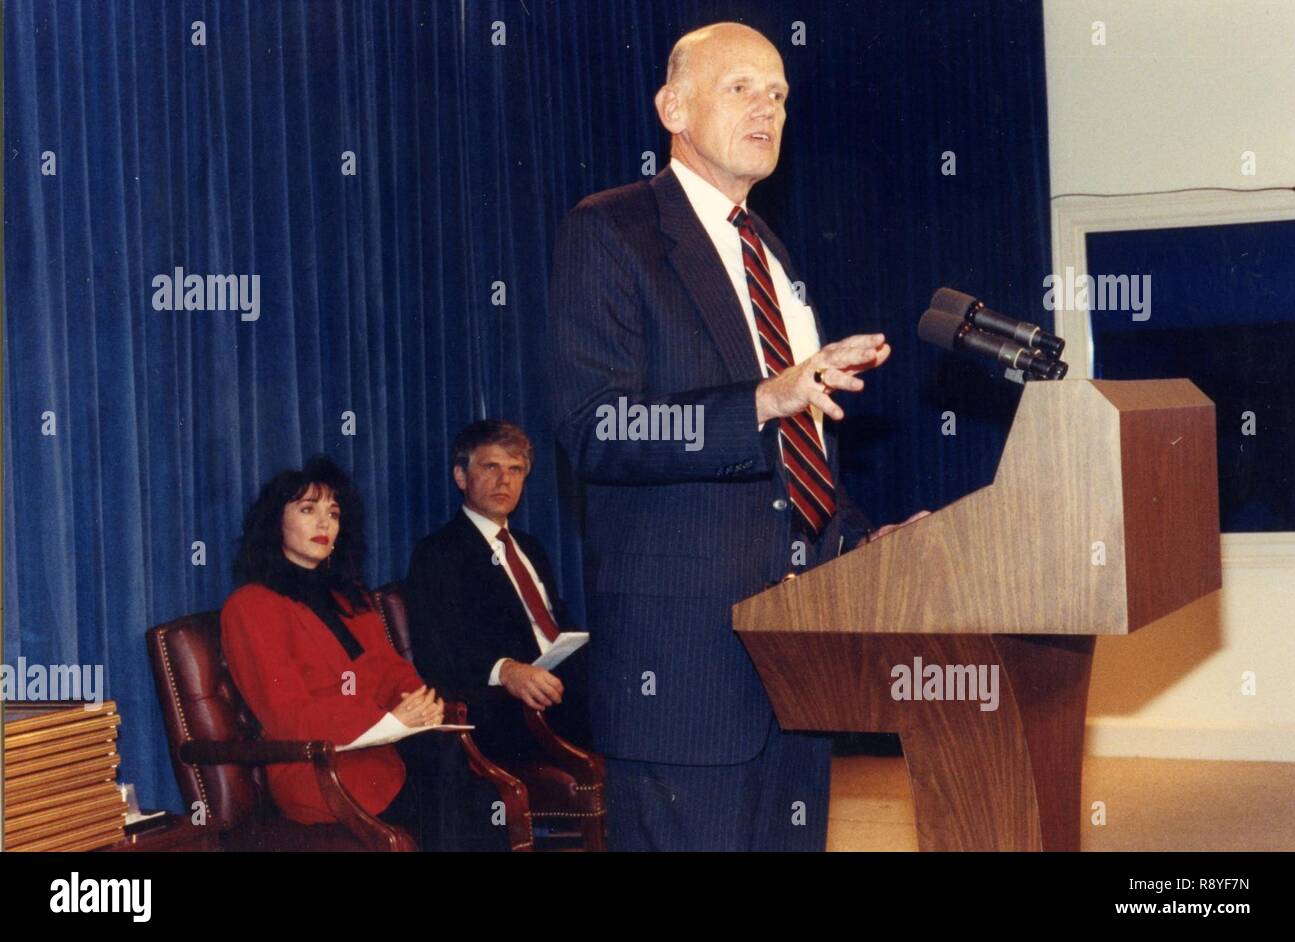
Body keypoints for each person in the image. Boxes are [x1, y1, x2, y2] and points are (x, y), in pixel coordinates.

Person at [547, 22, 922, 851]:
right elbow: (598, 426)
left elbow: (795, 471)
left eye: (781, 94)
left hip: (795, 660)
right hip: (684, 675)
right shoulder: (611, 232)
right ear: (672, 107)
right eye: (742, 87)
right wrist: (762, 398)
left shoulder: (771, 254)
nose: (769, 108)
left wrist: (864, 543)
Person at [220, 454, 509, 850]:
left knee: (478, 792)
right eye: (308, 510)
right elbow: (287, 714)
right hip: (319, 768)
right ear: (275, 522)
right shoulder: (251, 605)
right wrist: (388, 719)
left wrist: (420, 703)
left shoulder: (349, 599)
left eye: (334, 513)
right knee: (454, 788)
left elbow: (391, 670)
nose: (325, 523)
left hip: (381, 756)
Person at [405, 420, 590, 761]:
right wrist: (506, 670)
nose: (505, 480)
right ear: (461, 476)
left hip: (562, 689)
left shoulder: (531, 548)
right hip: (507, 707)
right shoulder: (437, 552)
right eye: (491, 467)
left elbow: (556, 623)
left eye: (515, 469)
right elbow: (439, 652)